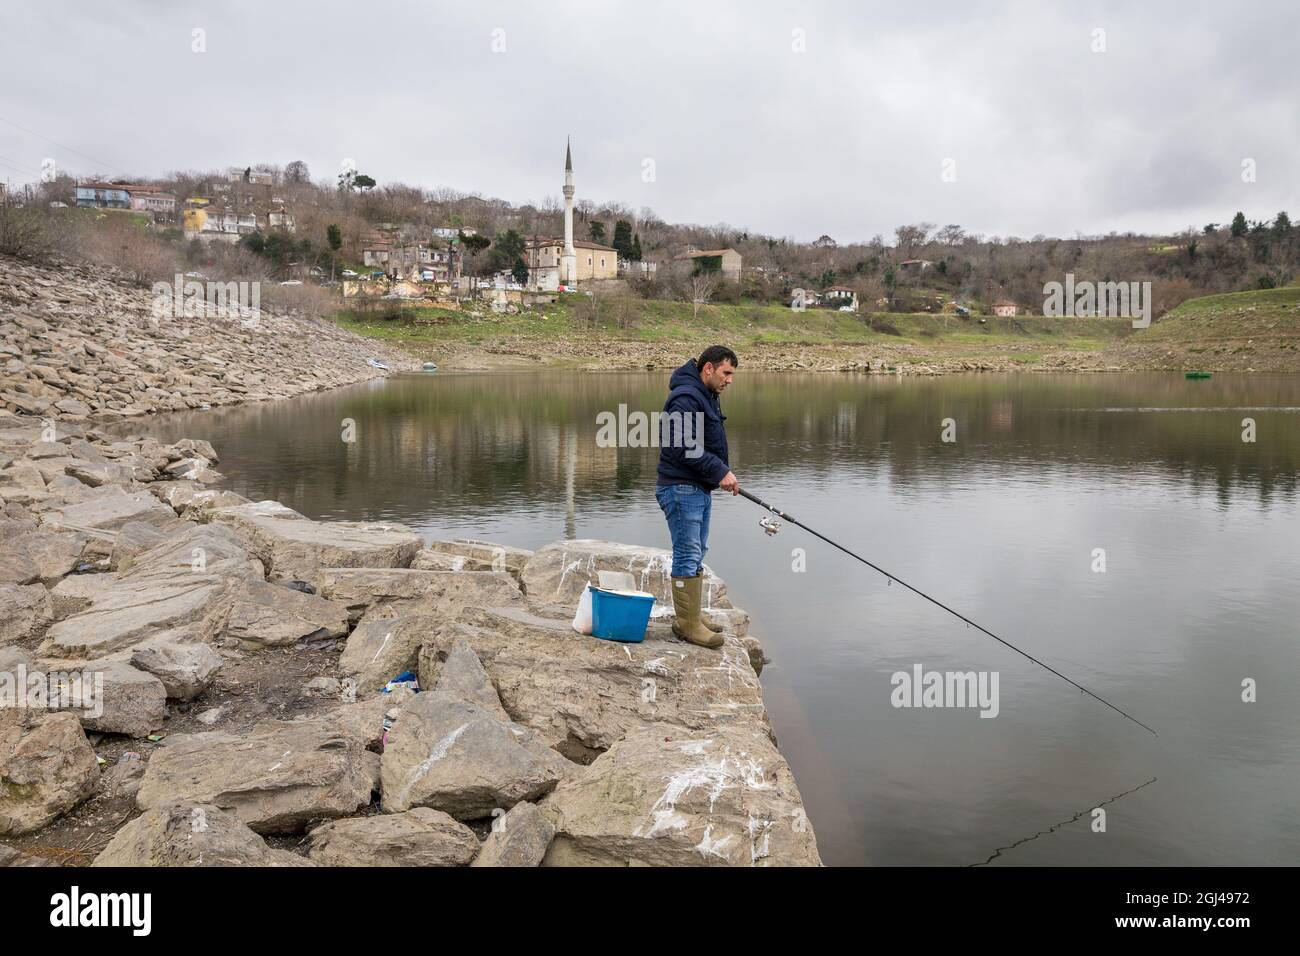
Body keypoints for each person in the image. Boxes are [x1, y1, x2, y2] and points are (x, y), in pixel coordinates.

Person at [655, 345, 739, 649]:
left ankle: (690, 617)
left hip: (696, 486)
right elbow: (682, 445)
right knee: (688, 552)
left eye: (732, 374)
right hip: (680, 488)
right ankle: (688, 626)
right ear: (708, 368)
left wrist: (718, 474)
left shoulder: (706, 396)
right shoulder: (686, 398)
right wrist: (719, 471)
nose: (730, 380)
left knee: (698, 549)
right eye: (726, 372)